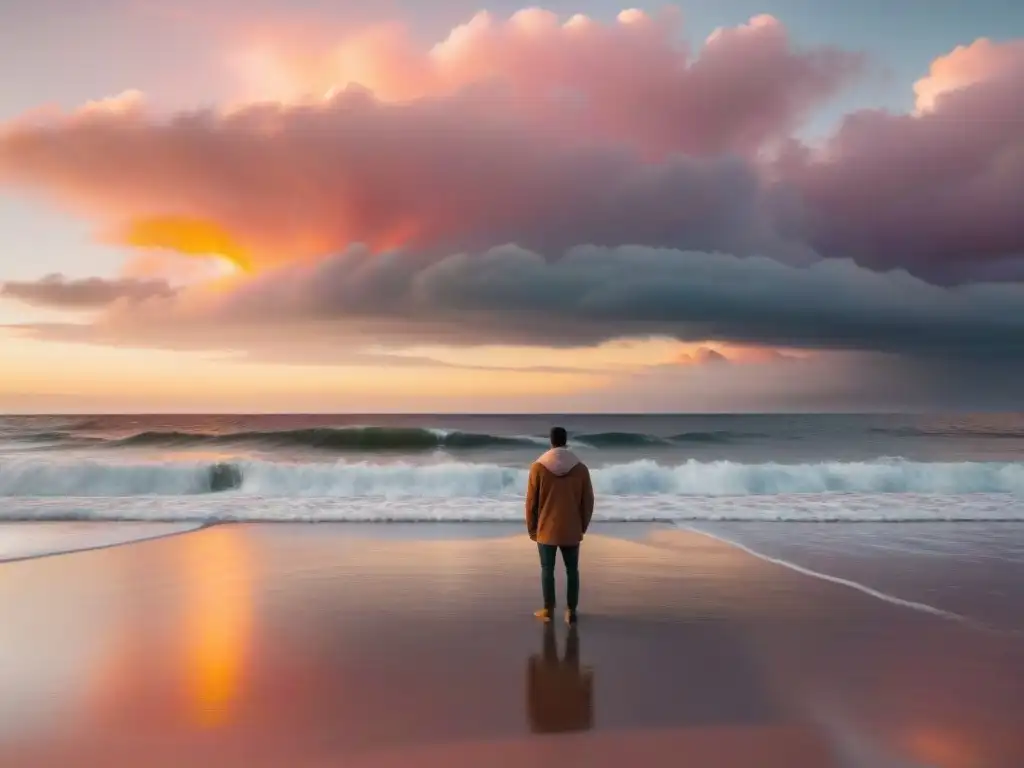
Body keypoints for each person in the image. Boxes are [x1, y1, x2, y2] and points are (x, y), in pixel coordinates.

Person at [525, 426, 595, 624]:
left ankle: (548, 610)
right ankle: (571, 611)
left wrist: (532, 528)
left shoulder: (538, 468)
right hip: (572, 528)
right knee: (572, 570)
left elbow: (531, 502)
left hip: (546, 530)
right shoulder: (580, 468)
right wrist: (582, 525)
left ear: (551, 441)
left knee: (547, 569)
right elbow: (588, 501)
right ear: (566, 441)